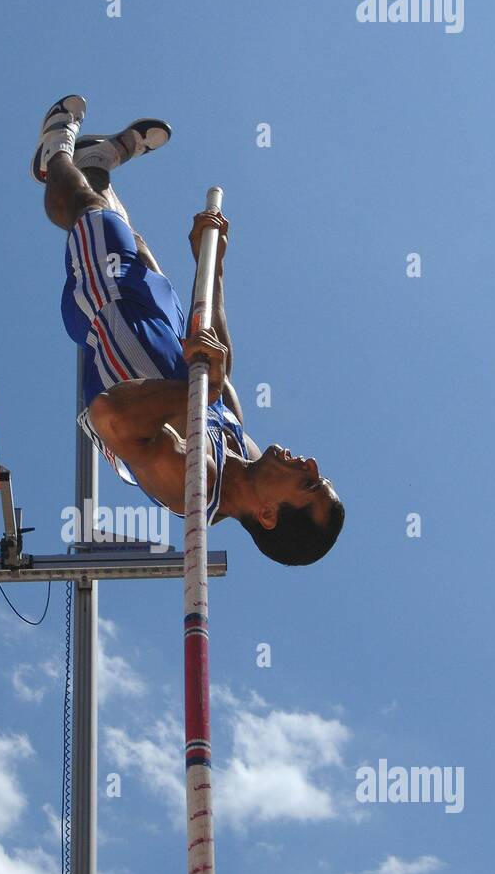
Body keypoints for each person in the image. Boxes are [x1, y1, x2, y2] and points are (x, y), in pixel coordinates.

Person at [32, 95, 344, 565]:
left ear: (266, 514)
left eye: (307, 483)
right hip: (164, 331)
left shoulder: (191, 485)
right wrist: (211, 267)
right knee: (125, 235)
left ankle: (54, 152)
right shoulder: (245, 454)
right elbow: (221, 369)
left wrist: (201, 392)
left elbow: (110, 417)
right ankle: (95, 161)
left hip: (116, 326)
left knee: (87, 212)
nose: (312, 464)